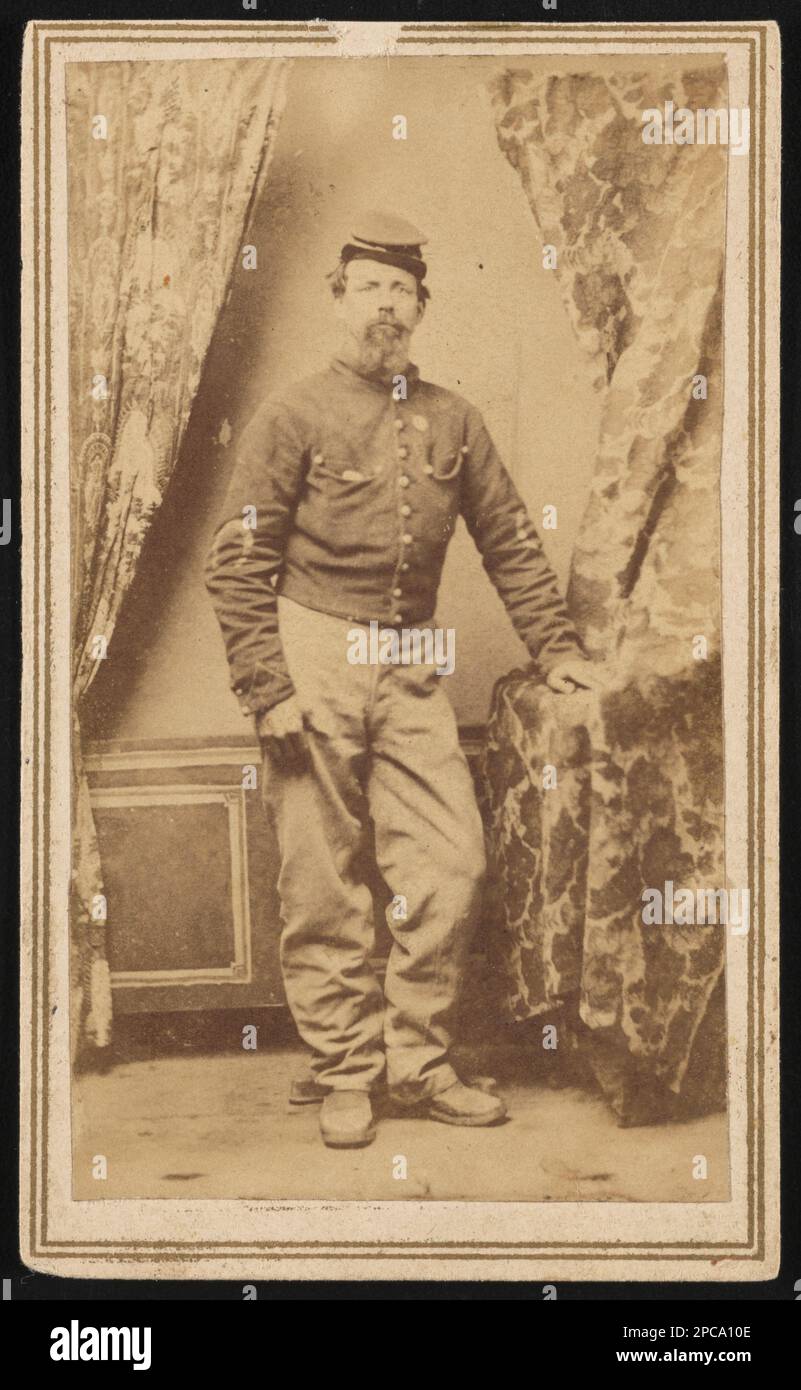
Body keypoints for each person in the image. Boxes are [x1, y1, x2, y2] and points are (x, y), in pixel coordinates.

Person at [205, 212, 601, 1148]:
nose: (386, 304)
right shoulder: (293, 413)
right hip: (311, 651)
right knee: (323, 881)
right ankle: (346, 1071)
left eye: (403, 291)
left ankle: (415, 1063)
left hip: (410, 656)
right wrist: (268, 687)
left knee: (451, 864)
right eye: (369, 288)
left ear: (421, 308)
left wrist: (557, 649)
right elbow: (236, 561)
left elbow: (508, 539)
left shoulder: (453, 418)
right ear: (338, 300)